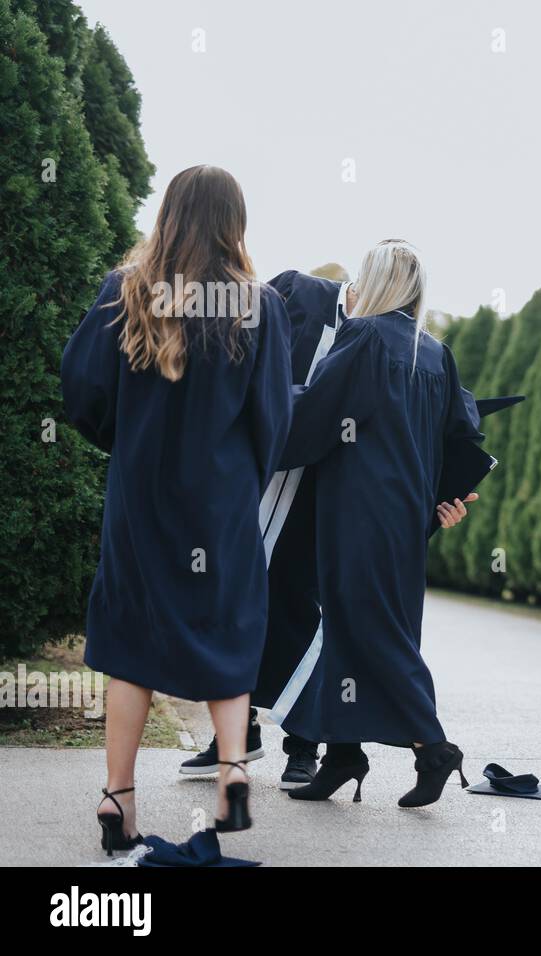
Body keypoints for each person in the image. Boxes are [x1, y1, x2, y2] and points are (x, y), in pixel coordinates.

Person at [61, 165, 293, 851]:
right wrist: (243, 475)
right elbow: (274, 416)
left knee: (131, 640)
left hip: (141, 496)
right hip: (220, 500)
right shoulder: (258, 305)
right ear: (234, 223)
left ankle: (117, 795)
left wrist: (126, 439)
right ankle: (231, 772)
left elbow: (81, 391)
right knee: (228, 627)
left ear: (169, 214)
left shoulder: (125, 292)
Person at [271, 240, 481, 807]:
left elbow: (316, 411)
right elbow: (461, 431)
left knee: (372, 632)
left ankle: (433, 749)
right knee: (347, 627)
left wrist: (254, 409)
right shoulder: (435, 353)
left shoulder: (363, 337)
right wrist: (445, 498)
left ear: (377, 283)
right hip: (405, 517)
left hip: (358, 511)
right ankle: (343, 754)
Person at [177, 270, 354, 788]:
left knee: (305, 612)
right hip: (259, 477)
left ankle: (304, 745)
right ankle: (238, 732)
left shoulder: (381, 333)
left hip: (322, 496)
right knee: (236, 603)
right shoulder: (299, 291)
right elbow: (241, 347)